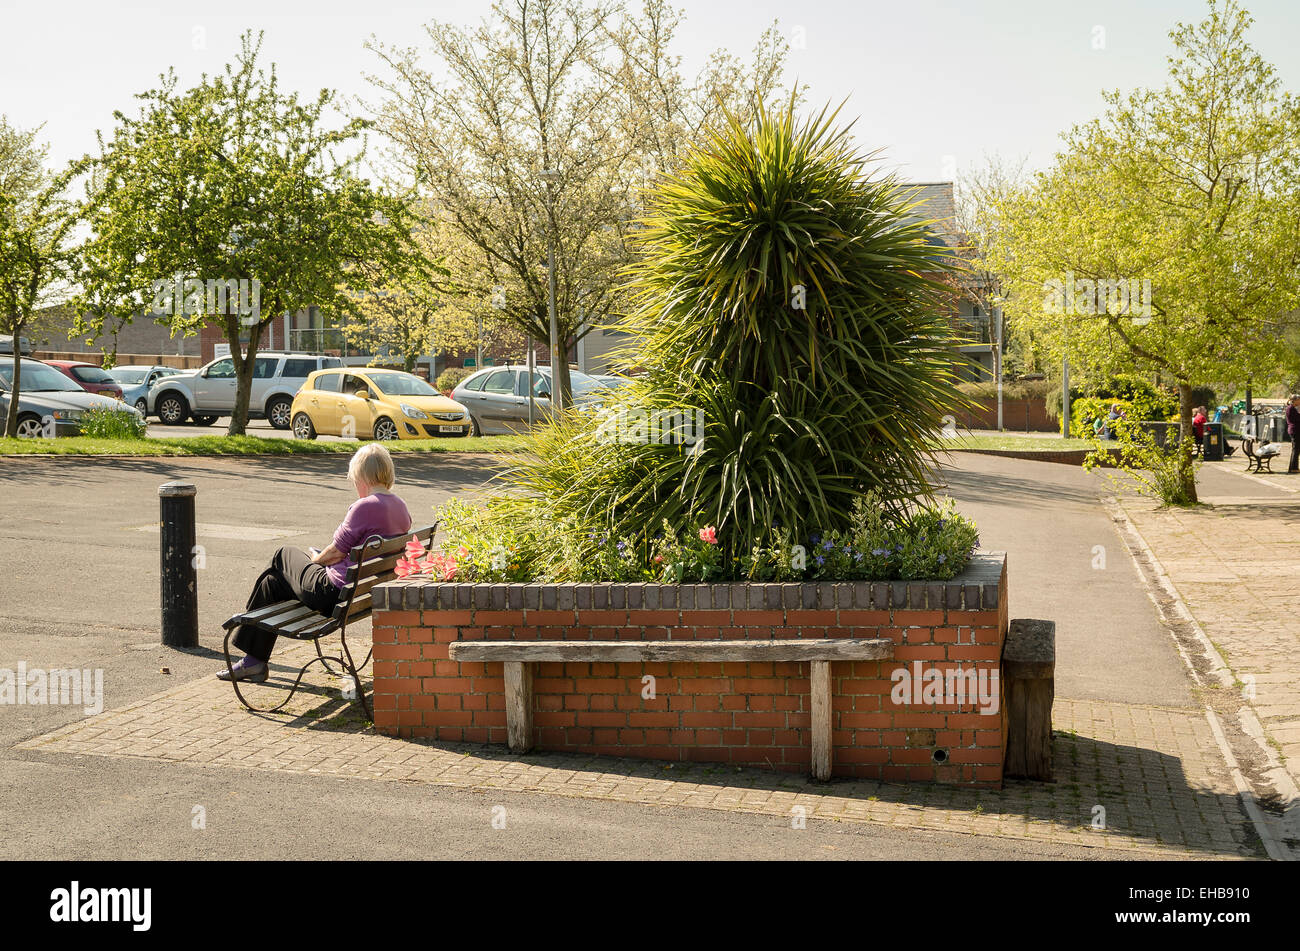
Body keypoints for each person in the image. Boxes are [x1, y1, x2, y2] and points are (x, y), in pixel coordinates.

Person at [219, 444, 412, 682]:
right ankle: (254, 663)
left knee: (283, 554)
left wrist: (316, 560)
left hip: (330, 593)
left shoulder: (365, 506)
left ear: (362, 476)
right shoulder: (400, 506)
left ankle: (251, 653)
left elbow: (334, 553)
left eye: (354, 478)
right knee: (273, 581)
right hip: (359, 595)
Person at [1287, 394, 1300, 474]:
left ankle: (1294, 467)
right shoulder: (1291, 408)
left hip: (1295, 430)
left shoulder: (1292, 408)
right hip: (1295, 430)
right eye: (1299, 400)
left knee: (1296, 449)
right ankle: (1293, 468)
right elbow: (1297, 418)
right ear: (1294, 400)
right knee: (1295, 449)